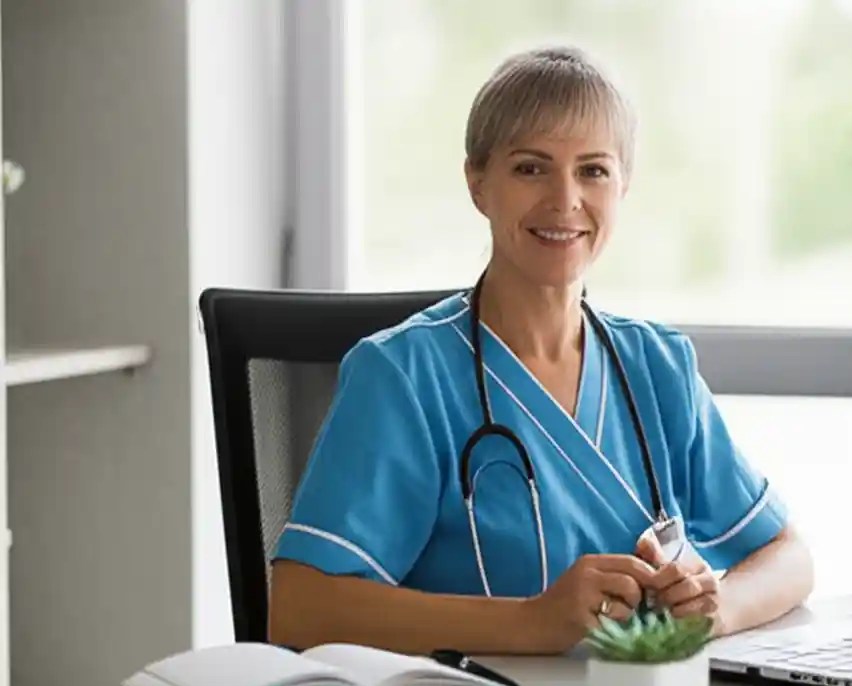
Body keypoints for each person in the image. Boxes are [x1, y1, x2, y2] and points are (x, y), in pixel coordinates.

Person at [269, 46, 813, 655]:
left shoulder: (659, 369)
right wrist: (531, 621)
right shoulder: (404, 375)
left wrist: (714, 609)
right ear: (478, 183)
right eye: (531, 168)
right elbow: (299, 608)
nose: (564, 199)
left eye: (593, 171)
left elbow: (789, 556)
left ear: (624, 186)